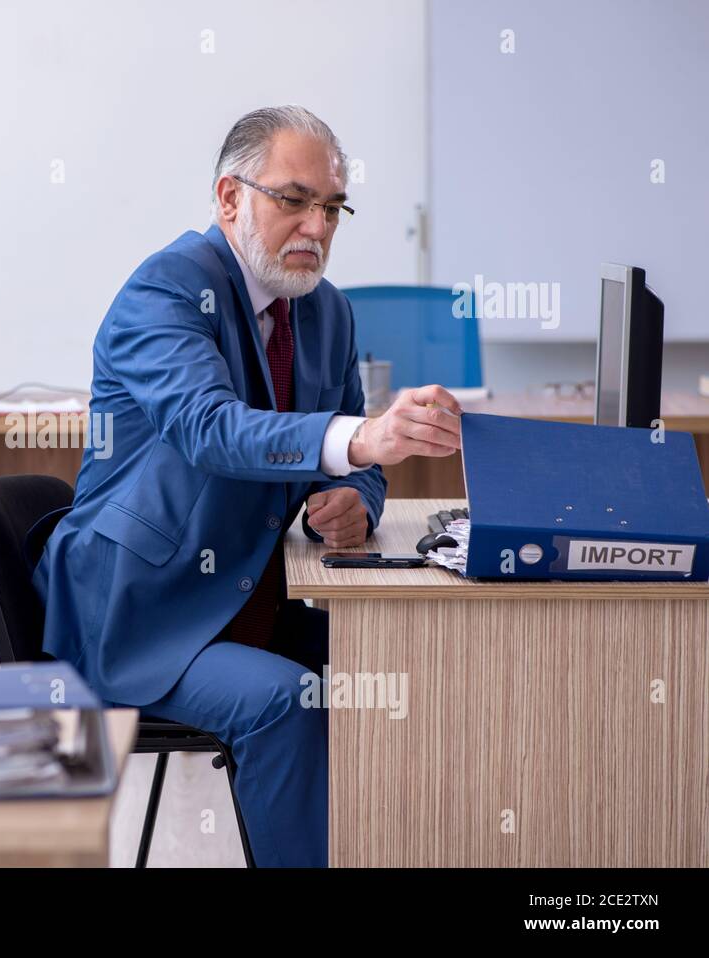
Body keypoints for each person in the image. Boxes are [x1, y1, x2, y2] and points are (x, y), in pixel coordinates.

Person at [31, 106, 463, 866]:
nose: (317, 226)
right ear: (230, 198)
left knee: (420, 655)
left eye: (332, 207)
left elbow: (355, 452)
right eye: (293, 199)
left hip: (257, 588)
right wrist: (357, 441)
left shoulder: (327, 311)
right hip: (145, 612)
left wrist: (357, 499)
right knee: (285, 703)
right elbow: (211, 426)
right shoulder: (163, 292)